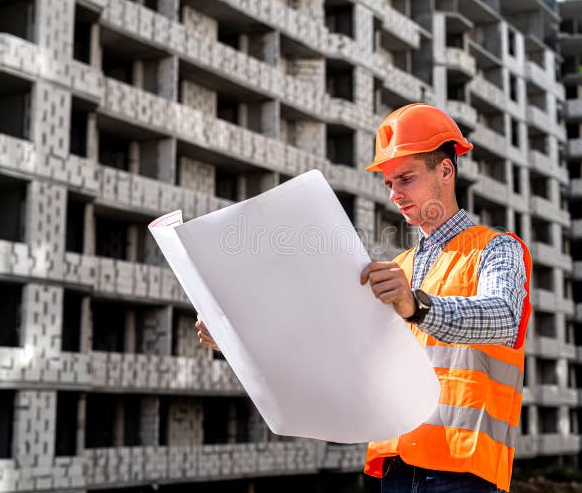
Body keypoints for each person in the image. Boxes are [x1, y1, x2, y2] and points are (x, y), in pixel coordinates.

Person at [196, 103, 532, 492]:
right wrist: (237, 338)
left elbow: (504, 317)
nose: (394, 194)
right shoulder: (396, 269)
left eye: (405, 178)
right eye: (388, 183)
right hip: (393, 467)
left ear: (445, 170)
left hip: (463, 471)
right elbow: (331, 347)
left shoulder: (496, 250)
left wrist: (417, 306)